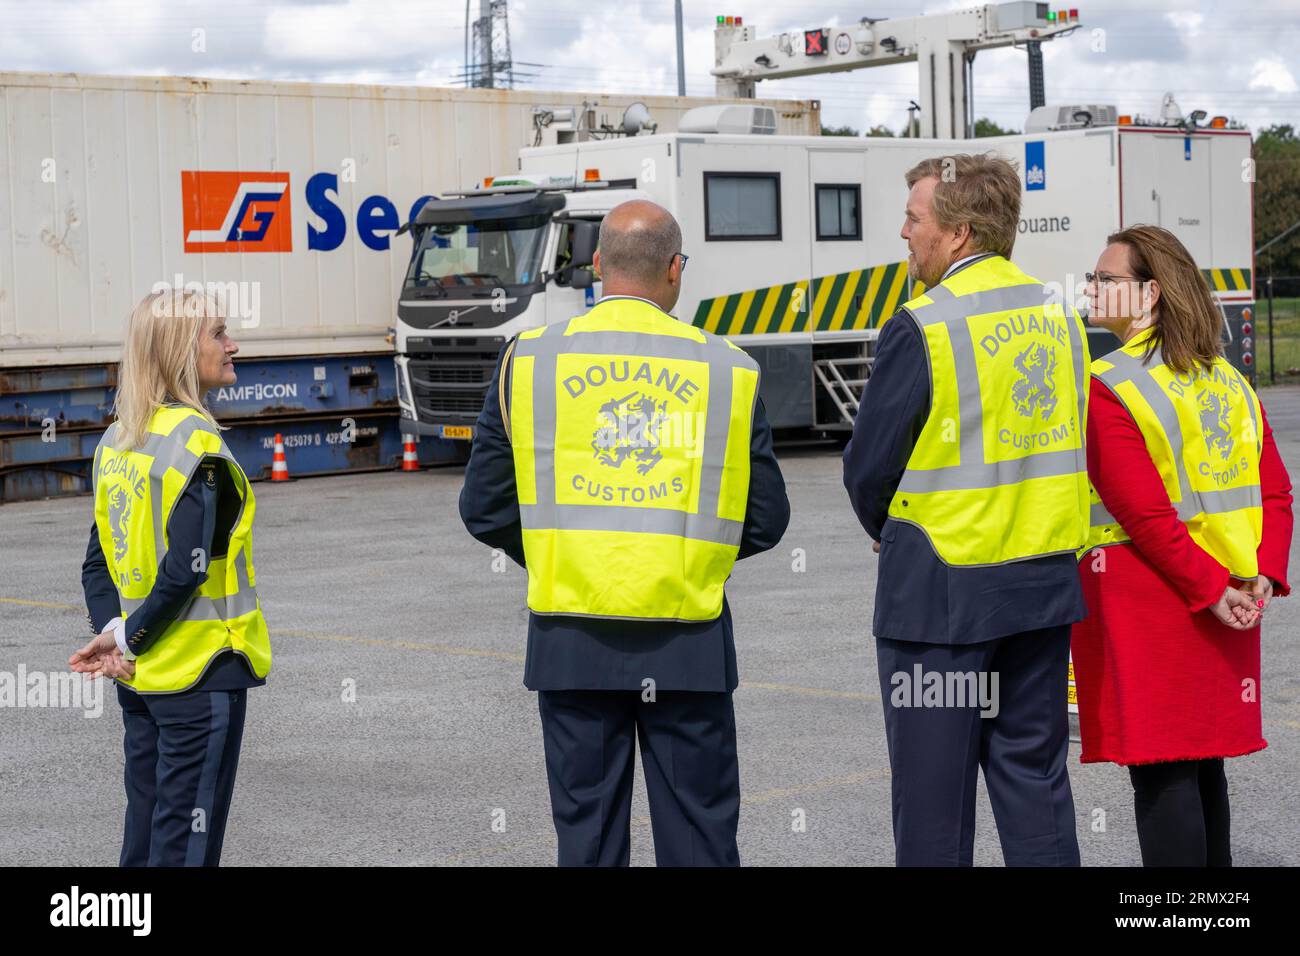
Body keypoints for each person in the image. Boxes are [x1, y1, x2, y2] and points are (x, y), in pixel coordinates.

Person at [459, 199, 790, 866]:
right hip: (687, 642)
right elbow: (765, 519)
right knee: (699, 835)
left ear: (596, 266)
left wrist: (566, 553)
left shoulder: (529, 360)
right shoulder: (727, 369)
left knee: (586, 837)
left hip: (571, 641)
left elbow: (484, 507)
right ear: (675, 269)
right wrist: (687, 557)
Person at [843, 153, 1091, 866]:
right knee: (1034, 783)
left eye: (915, 219)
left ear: (958, 234)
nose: (903, 233)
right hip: (1041, 587)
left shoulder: (925, 323)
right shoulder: (1059, 316)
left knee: (933, 804)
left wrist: (892, 529)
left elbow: (870, 466)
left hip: (942, 600)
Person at [1072, 225, 1292, 866]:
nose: (1090, 288)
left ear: (1152, 294)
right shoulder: (1229, 381)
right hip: (1226, 598)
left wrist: (1211, 591)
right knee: (1203, 769)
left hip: (1159, 600)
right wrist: (1261, 578)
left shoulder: (1111, 382)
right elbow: (1275, 495)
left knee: (1162, 775)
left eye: (1105, 279)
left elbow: (1143, 516)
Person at [70, 288, 272, 867]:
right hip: (199, 674)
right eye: (218, 333)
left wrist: (117, 631)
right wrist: (129, 637)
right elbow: (187, 570)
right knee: (185, 847)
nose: (233, 345)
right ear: (182, 350)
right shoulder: (196, 443)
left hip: (138, 678)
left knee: (146, 835)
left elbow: (97, 561)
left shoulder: (117, 440)